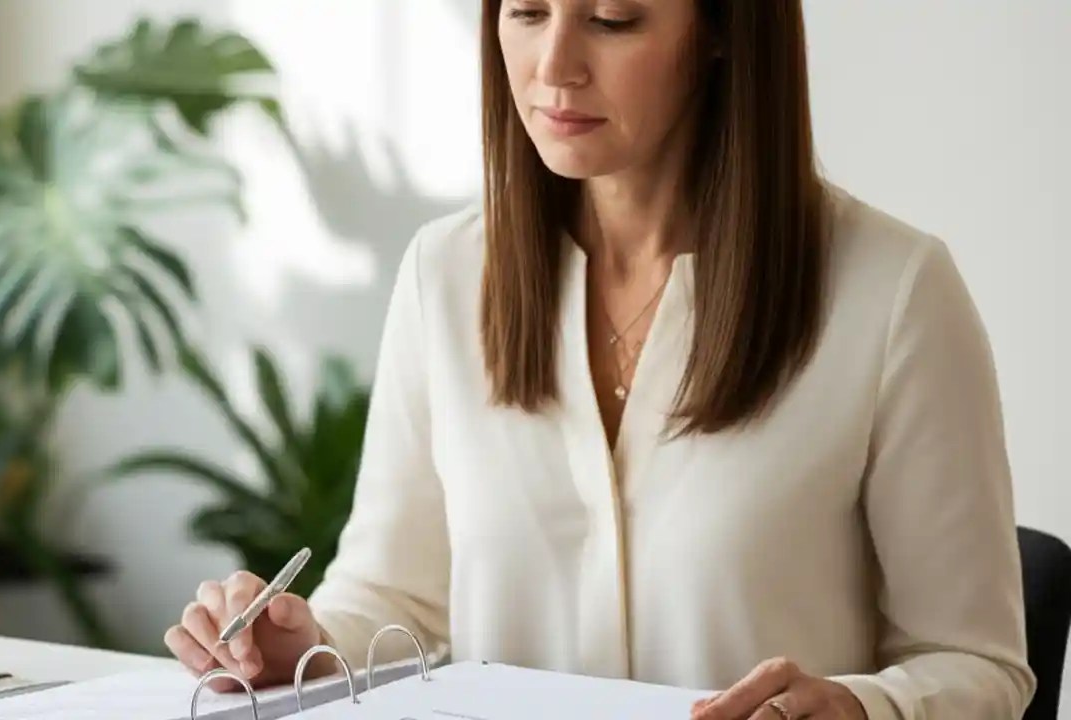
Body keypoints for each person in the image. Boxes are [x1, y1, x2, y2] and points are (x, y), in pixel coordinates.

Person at [164, 1, 1036, 718]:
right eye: (528, 13)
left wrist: (857, 709)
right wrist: (299, 643)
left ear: (725, 29)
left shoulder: (893, 292)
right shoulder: (446, 274)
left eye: (613, 20)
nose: (553, 66)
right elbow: (396, 600)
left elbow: (978, 667)